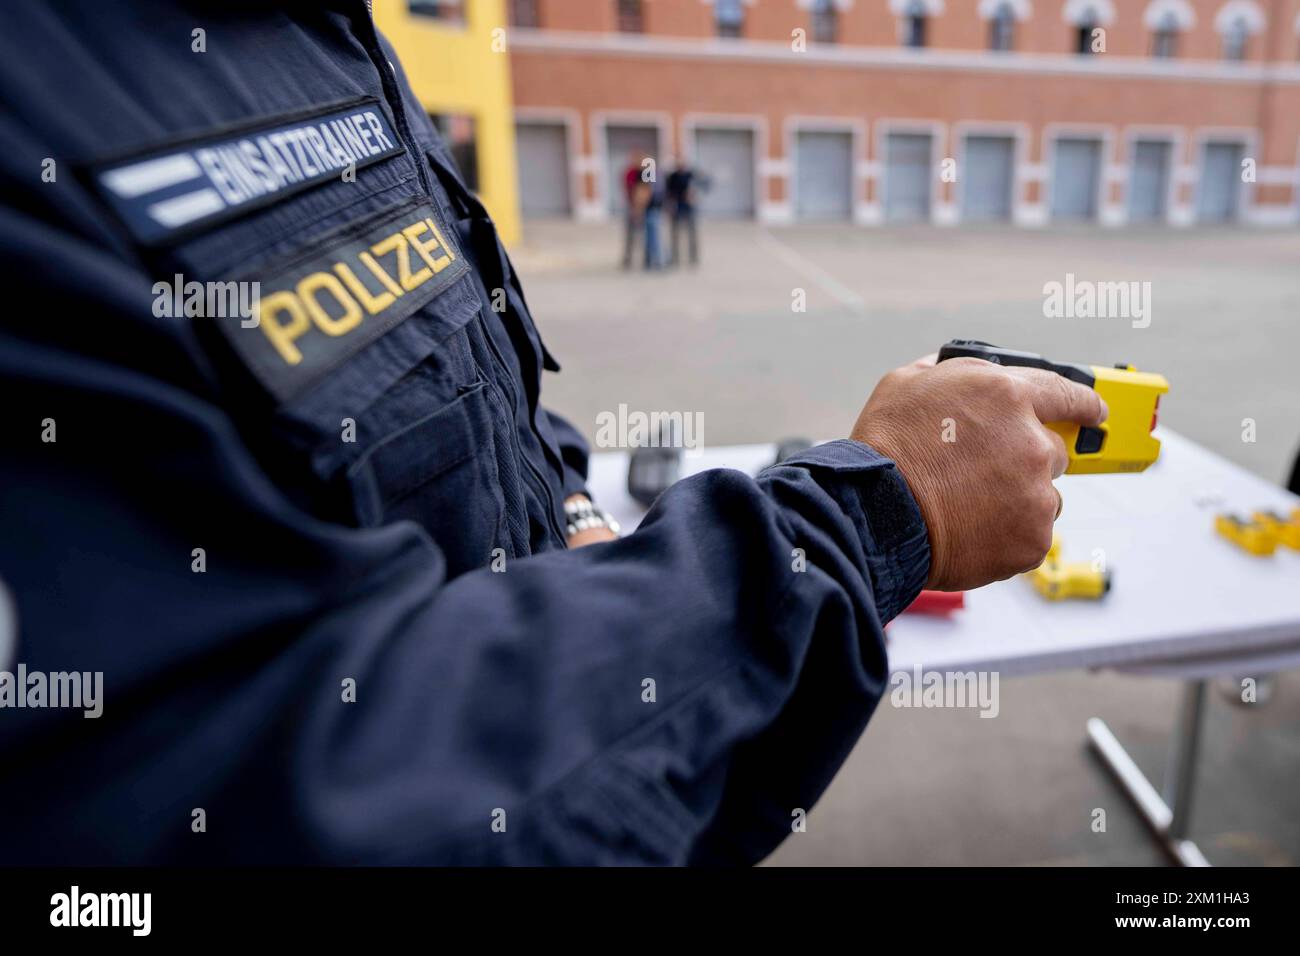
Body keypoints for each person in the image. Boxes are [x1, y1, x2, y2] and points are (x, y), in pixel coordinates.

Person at [0, 0, 1105, 865]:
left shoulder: (332, 41)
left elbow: (473, 380)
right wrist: (880, 504)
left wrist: (570, 504)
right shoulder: (42, 107)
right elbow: (267, 798)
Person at [666, 157, 700, 267]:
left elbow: (699, 188)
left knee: (692, 234)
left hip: (689, 208)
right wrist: (670, 205)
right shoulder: (672, 177)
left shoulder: (691, 175)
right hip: (676, 209)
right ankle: (675, 257)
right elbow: (668, 193)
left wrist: (693, 196)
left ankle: (693, 257)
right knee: (675, 235)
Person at [620, 150, 645, 269]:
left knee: (644, 235)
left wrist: (638, 208)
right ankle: (628, 259)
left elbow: (644, 191)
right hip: (631, 207)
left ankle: (647, 259)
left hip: (641, 208)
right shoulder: (629, 172)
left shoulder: (644, 173)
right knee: (630, 235)